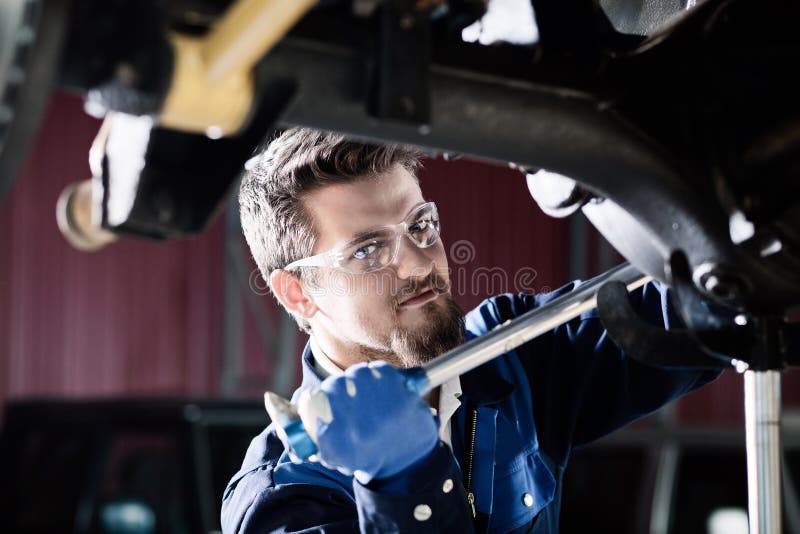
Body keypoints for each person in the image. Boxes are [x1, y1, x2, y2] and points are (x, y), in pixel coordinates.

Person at [221, 127, 720, 533]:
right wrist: (401, 482)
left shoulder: (511, 356)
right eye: (368, 250)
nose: (419, 264)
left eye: (421, 226)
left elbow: (688, 317)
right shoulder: (284, 498)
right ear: (297, 293)